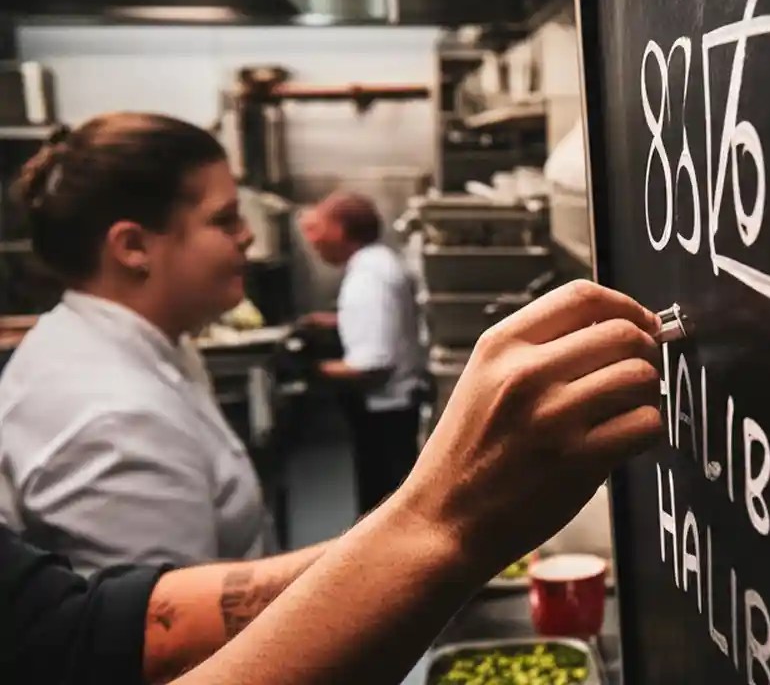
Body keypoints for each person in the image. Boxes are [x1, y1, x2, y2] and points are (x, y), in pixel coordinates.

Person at [3, 279, 664, 685]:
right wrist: (442, 525)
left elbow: (92, 629)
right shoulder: (101, 403)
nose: (247, 235)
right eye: (224, 218)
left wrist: (426, 516)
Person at [0, 113, 272, 573]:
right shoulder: (115, 420)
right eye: (225, 220)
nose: (247, 236)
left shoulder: (144, 343)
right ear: (132, 247)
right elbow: (169, 615)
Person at [298, 191, 429, 514]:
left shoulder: (368, 277)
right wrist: (334, 321)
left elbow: (373, 365)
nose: (312, 240)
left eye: (319, 228)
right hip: (397, 407)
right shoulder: (377, 262)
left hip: (386, 416)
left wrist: (307, 371)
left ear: (341, 230)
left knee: (384, 513)